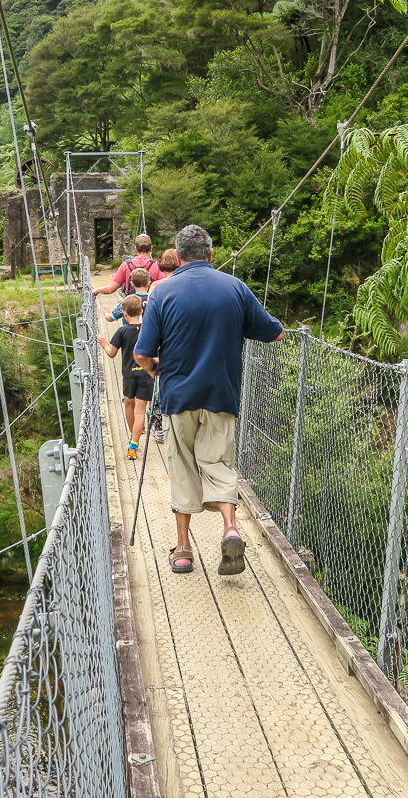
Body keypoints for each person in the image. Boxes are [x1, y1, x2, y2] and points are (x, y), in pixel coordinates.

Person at [134, 224, 282, 575]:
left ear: (178, 257)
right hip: (222, 395)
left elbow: (142, 354)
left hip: (177, 396)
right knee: (218, 465)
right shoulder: (235, 288)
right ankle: (231, 528)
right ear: (211, 256)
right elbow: (275, 333)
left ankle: (183, 550)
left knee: (183, 468)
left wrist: (157, 371)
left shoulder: (162, 292)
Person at [96, 294, 152, 460]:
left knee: (129, 405)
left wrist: (105, 343)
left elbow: (111, 353)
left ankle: (132, 436)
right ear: (141, 311)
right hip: (146, 374)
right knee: (141, 410)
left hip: (129, 375)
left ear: (124, 314)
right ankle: (133, 444)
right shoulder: (148, 329)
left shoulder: (121, 331)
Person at [95, 234, 162, 295]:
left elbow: (110, 289)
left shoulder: (126, 265)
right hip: (151, 305)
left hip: (131, 305)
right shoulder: (157, 265)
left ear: (136, 249)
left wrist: (96, 290)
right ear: (151, 248)